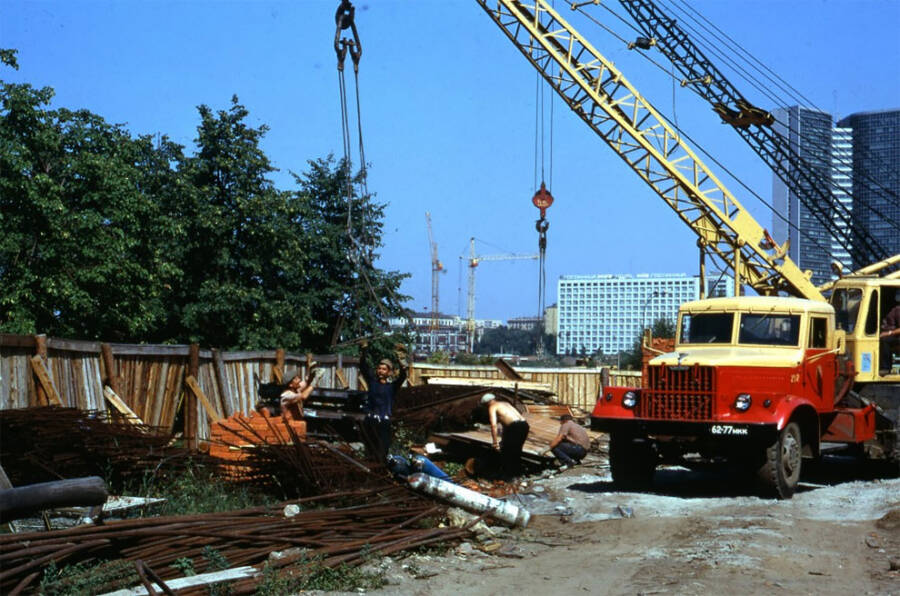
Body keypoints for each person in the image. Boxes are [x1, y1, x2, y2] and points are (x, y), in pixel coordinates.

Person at [359, 340, 408, 462]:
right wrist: (364, 350)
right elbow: (363, 367)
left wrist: (401, 361)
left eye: (384, 369)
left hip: (384, 424)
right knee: (369, 451)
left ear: (389, 372)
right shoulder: (372, 383)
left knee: (382, 452)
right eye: (379, 368)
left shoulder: (392, 387)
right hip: (370, 421)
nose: (381, 371)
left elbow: (403, 376)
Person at [482, 393, 530, 479]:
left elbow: (493, 425)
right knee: (516, 450)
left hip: (514, 427)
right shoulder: (505, 403)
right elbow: (508, 421)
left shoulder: (492, 407)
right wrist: (503, 438)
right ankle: (517, 473)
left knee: (507, 451)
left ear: (487, 403)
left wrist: (495, 442)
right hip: (524, 425)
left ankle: (508, 476)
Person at [879, 288, 900, 376]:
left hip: (896, 336)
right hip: (885, 333)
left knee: (885, 340)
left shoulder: (897, 309)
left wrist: (888, 333)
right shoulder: (881, 308)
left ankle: (885, 368)